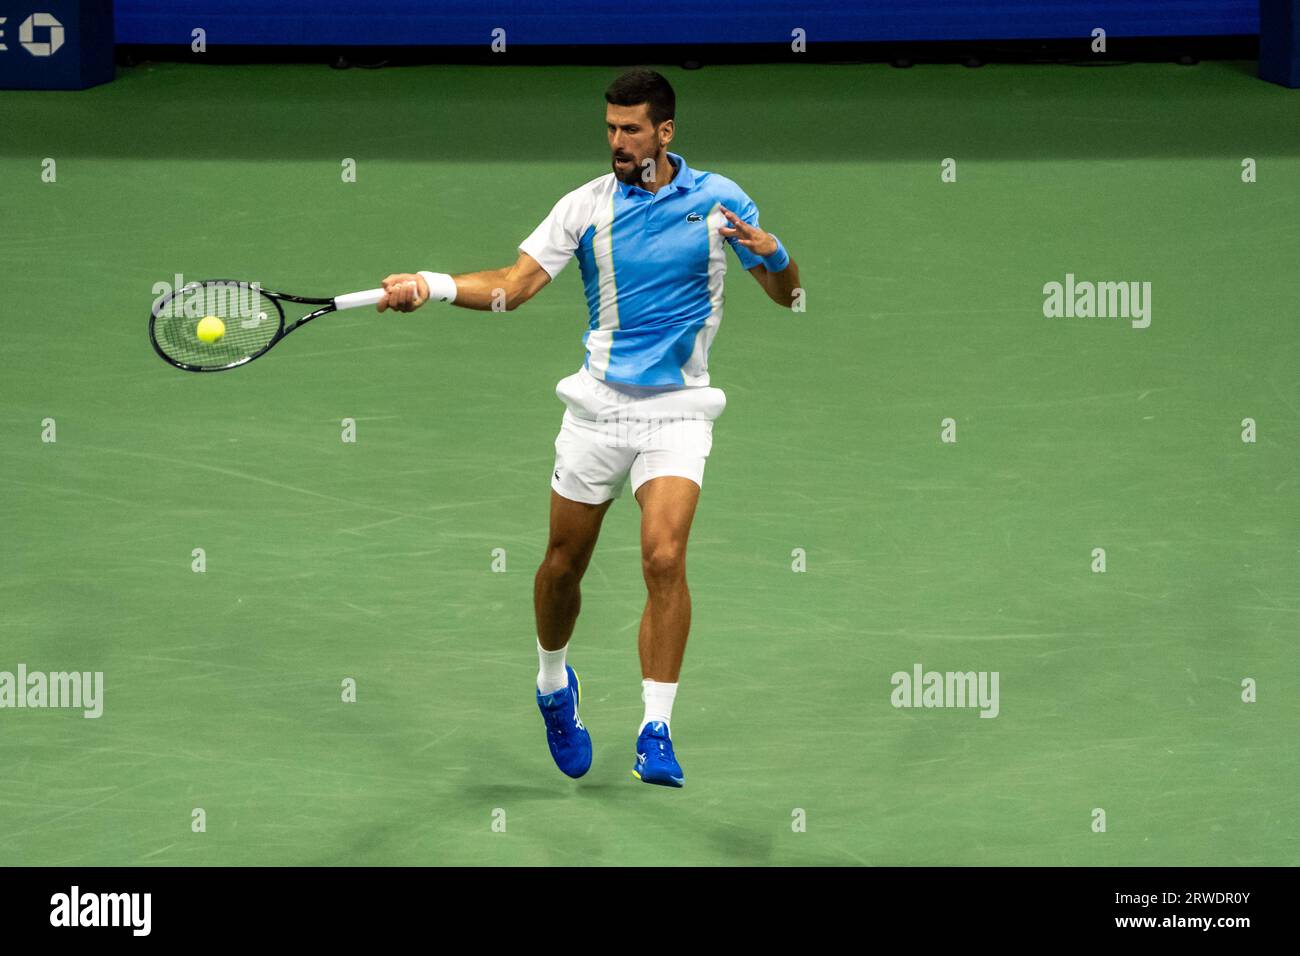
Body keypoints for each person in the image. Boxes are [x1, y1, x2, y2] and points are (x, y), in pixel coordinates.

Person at [377, 68, 801, 788]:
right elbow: (514, 286)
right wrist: (433, 284)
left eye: (631, 129)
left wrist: (773, 251)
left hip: (679, 411)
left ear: (664, 133)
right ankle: (552, 685)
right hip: (597, 410)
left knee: (664, 557)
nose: (616, 141)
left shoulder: (721, 200)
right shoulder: (585, 207)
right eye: (609, 128)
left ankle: (655, 728)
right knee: (560, 567)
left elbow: (789, 298)